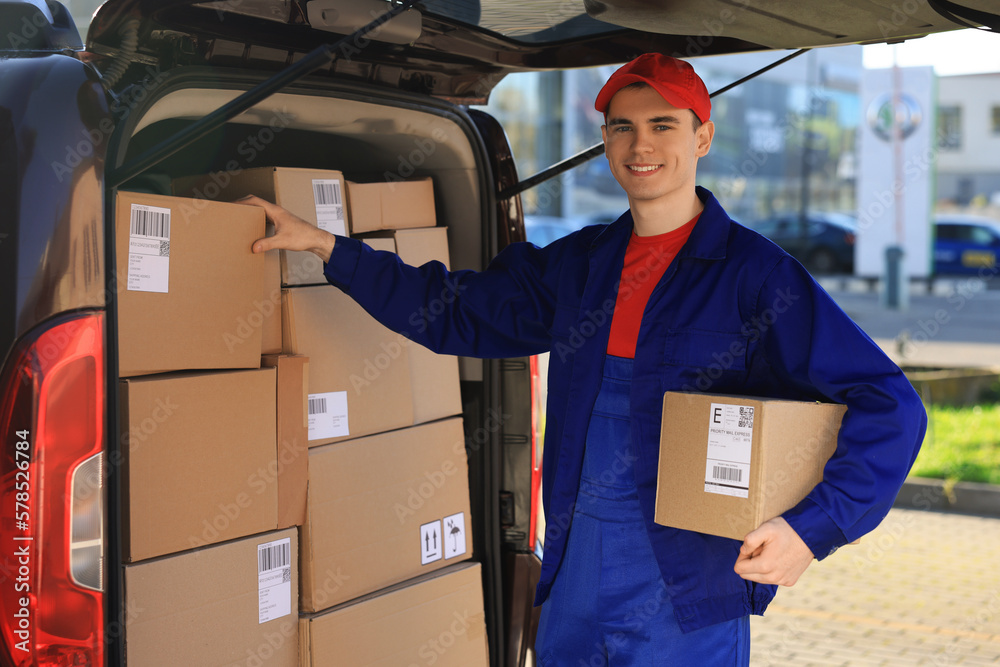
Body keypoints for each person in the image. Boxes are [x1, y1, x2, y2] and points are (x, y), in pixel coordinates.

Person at [241, 53, 926, 665]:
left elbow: (889, 403)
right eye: (622, 127)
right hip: (572, 580)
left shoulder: (754, 276)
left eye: (663, 125)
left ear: (703, 137)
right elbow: (455, 309)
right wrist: (333, 249)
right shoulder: (582, 264)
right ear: (605, 141)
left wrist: (811, 529)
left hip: (684, 595)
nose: (641, 144)